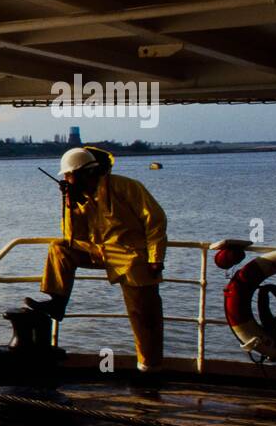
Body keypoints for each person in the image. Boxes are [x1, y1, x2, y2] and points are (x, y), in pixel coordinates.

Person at [24, 146, 168, 374]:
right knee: (59, 248)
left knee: (144, 317)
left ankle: (149, 369)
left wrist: (155, 258)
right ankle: (57, 301)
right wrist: (69, 204)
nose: (67, 181)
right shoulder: (82, 198)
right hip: (100, 252)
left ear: (83, 174)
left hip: (133, 257)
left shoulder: (126, 186)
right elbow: (73, 238)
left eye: (69, 176)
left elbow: (156, 220)